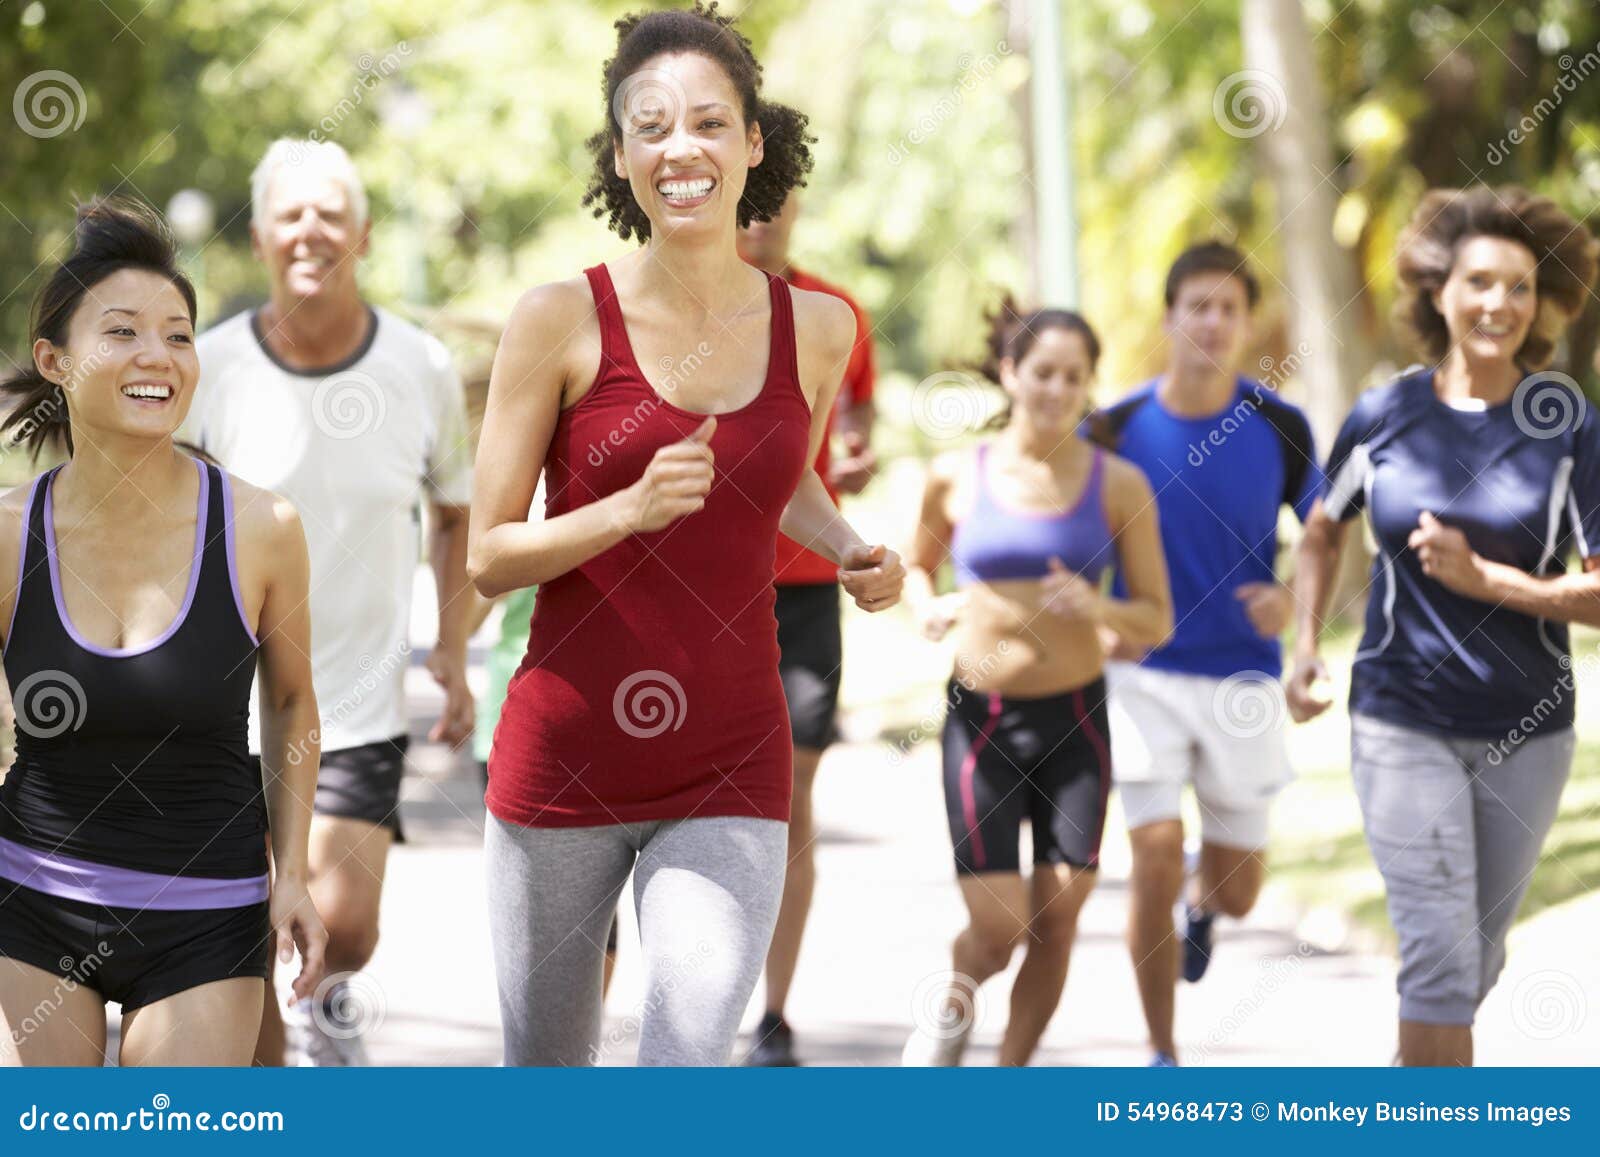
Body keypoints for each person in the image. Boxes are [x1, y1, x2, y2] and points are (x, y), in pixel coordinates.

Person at [470, 1, 904, 1067]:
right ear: (620, 156)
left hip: (730, 754)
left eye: (710, 123)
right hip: (565, 756)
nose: (682, 149)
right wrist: (625, 509)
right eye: (652, 127)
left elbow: (782, 479)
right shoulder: (557, 320)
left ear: (754, 144)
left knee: (687, 1064)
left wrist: (850, 546)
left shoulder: (819, 327)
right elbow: (486, 556)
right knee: (545, 1084)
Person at [0, 199, 325, 1066]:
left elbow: (292, 703)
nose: (158, 355)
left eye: (178, 335)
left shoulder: (262, 528)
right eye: (122, 331)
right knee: (62, 1127)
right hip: (35, 895)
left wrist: (293, 873)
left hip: (209, 906)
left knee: (167, 1125)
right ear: (55, 361)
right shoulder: (7, 534)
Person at [1289, 186, 1600, 1067]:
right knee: (1439, 963)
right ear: (1440, 292)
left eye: (1519, 286)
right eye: (1480, 283)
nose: (1500, 303)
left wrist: (1488, 579)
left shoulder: (1568, 425)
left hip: (1528, 729)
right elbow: (1321, 529)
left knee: (1473, 964)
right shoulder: (1385, 416)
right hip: (1402, 717)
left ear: (1540, 303)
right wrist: (1304, 649)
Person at [181, 139, 476, 1066]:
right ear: (259, 236)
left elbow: (456, 512)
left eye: (330, 214)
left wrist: (452, 649)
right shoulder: (209, 366)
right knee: (244, 927)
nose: (309, 231)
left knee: (345, 920)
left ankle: (325, 1009)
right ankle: (283, 1083)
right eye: (289, 214)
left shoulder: (421, 365)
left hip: (357, 698)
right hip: (223, 704)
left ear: (365, 235)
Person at [901, 299, 1171, 1066]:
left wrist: (1099, 604)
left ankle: (1007, 1082)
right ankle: (954, 1000)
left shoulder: (1120, 484)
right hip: (982, 722)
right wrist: (928, 607)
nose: (1057, 390)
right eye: (1043, 372)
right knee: (998, 930)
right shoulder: (956, 475)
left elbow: (1157, 617)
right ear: (1011, 372)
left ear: (1088, 386)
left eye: (1073, 377)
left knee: (1056, 919)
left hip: (1075, 721)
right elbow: (917, 564)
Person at [1088, 241, 1321, 1066]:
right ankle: (1161, 1051)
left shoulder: (1280, 424)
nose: (1214, 322)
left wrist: (1296, 607)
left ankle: (1206, 904)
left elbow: (1323, 533)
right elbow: (1064, 526)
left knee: (1241, 888)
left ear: (1247, 323)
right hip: (1141, 675)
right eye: (1198, 306)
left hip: (1242, 677)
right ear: (1170, 317)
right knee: (1150, 854)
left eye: (1229, 308)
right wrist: (1095, 622)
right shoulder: (1113, 428)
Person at [736, 189, 877, 1067]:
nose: (761, 218)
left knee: (789, 796)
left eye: (775, 201)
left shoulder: (835, 313)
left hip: (808, 587)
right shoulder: (689, 304)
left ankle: (774, 1012)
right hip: (714, 584)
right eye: (748, 204)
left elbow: (854, 425)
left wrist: (857, 459)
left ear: (795, 203)